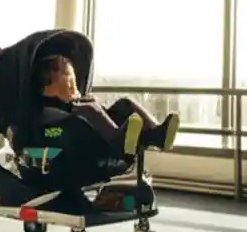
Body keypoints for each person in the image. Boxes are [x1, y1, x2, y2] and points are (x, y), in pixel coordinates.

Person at [34, 54, 180, 161]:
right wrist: (78, 102)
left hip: (95, 128)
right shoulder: (48, 104)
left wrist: (87, 100)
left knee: (125, 103)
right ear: (49, 84)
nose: (72, 83)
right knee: (89, 109)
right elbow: (57, 114)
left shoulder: (76, 98)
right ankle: (120, 143)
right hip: (70, 131)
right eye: (66, 75)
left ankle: (156, 135)